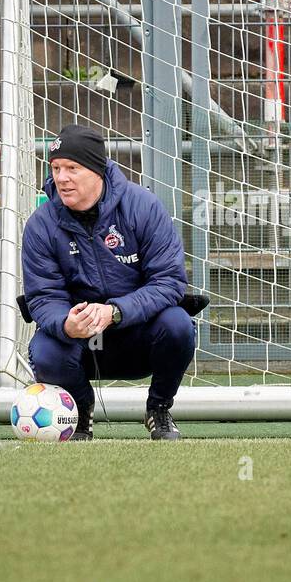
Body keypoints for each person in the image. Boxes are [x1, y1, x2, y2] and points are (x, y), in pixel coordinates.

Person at [20, 124, 195, 441]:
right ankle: (79, 413)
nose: (62, 178)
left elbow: (169, 282)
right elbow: (42, 297)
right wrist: (66, 323)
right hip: (80, 342)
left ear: (97, 170)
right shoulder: (40, 226)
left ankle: (158, 409)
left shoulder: (143, 207)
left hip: (138, 335)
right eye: (56, 168)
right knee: (44, 349)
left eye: (72, 168)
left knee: (179, 324)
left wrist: (115, 311)